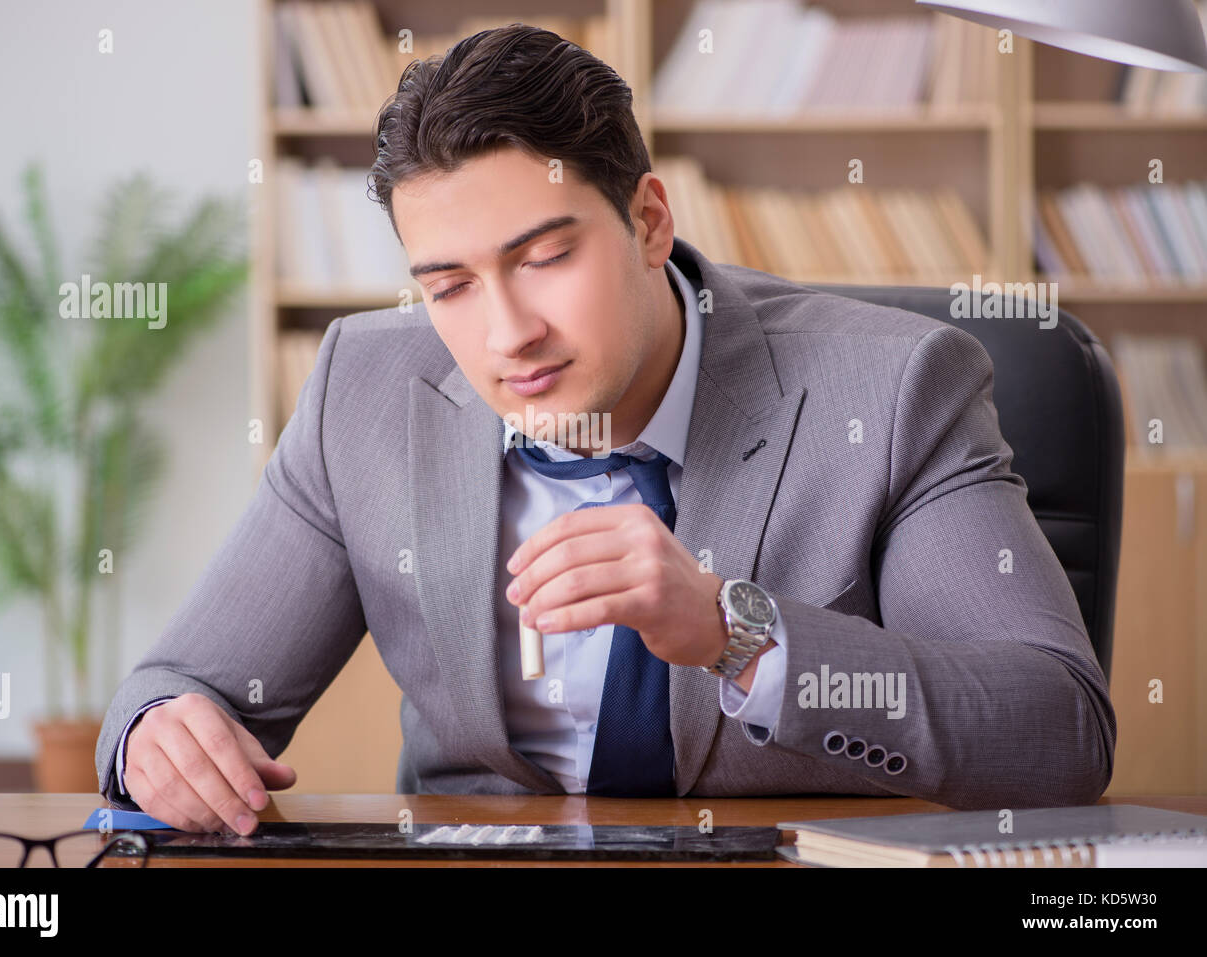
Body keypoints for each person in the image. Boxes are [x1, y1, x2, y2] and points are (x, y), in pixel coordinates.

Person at [96, 24, 1115, 835]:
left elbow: (1055, 728)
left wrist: (735, 632)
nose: (506, 335)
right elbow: (180, 686)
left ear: (648, 223)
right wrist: (156, 733)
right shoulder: (363, 392)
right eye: (449, 285)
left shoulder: (888, 388)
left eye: (543, 257)